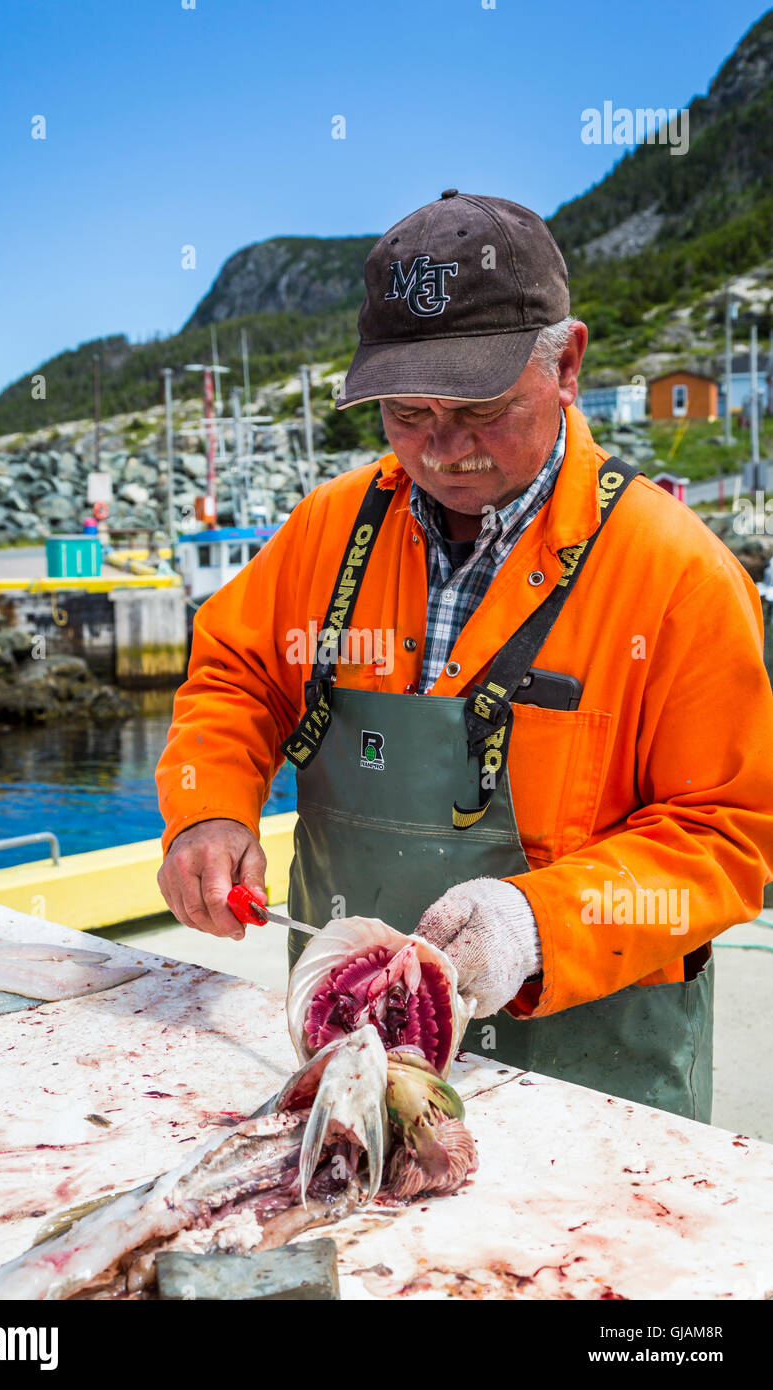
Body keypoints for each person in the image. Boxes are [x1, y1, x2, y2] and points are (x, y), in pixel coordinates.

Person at [156, 191, 773, 1121]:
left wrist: (538, 924)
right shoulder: (330, 527)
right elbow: (236, 676)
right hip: (349, 1068)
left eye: (481, 409)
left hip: (594, 1087)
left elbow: (726, 837)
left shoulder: (680, 575)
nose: (445, 452)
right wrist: (206, 807)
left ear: (566, 363)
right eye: (407, 414)